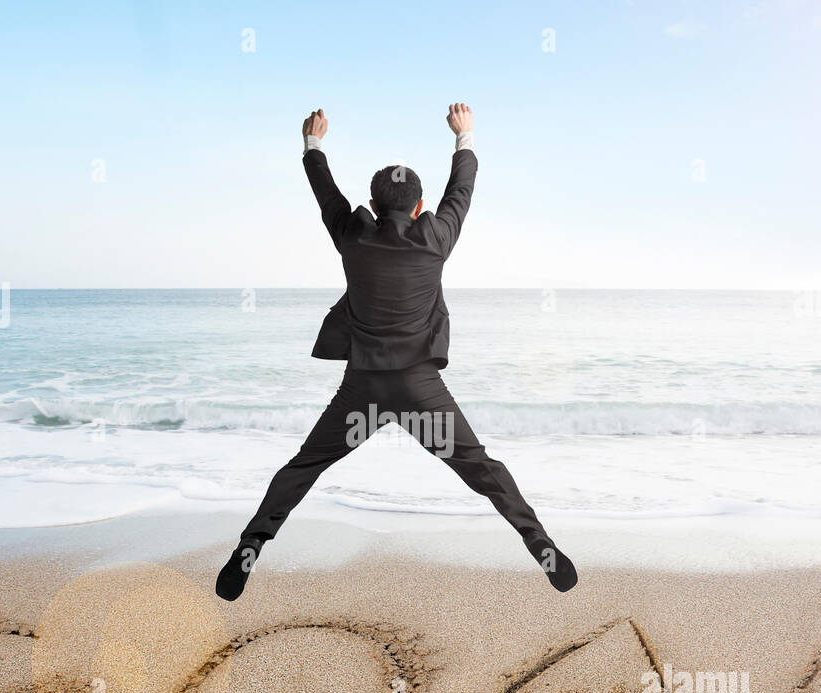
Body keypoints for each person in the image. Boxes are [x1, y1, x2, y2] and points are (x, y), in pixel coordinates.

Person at [216, 104, 577, 601]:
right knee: (483, 470)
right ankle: (540, 545)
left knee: (303, 467)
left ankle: (250, 548)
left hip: (362, 391)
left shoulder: (352, 237)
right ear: (419, 205)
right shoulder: (435, 238)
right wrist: (463, 135)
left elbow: (326, 195)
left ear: (371, 202)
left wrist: (314, 143)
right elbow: (462, 192)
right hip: (421, 391)